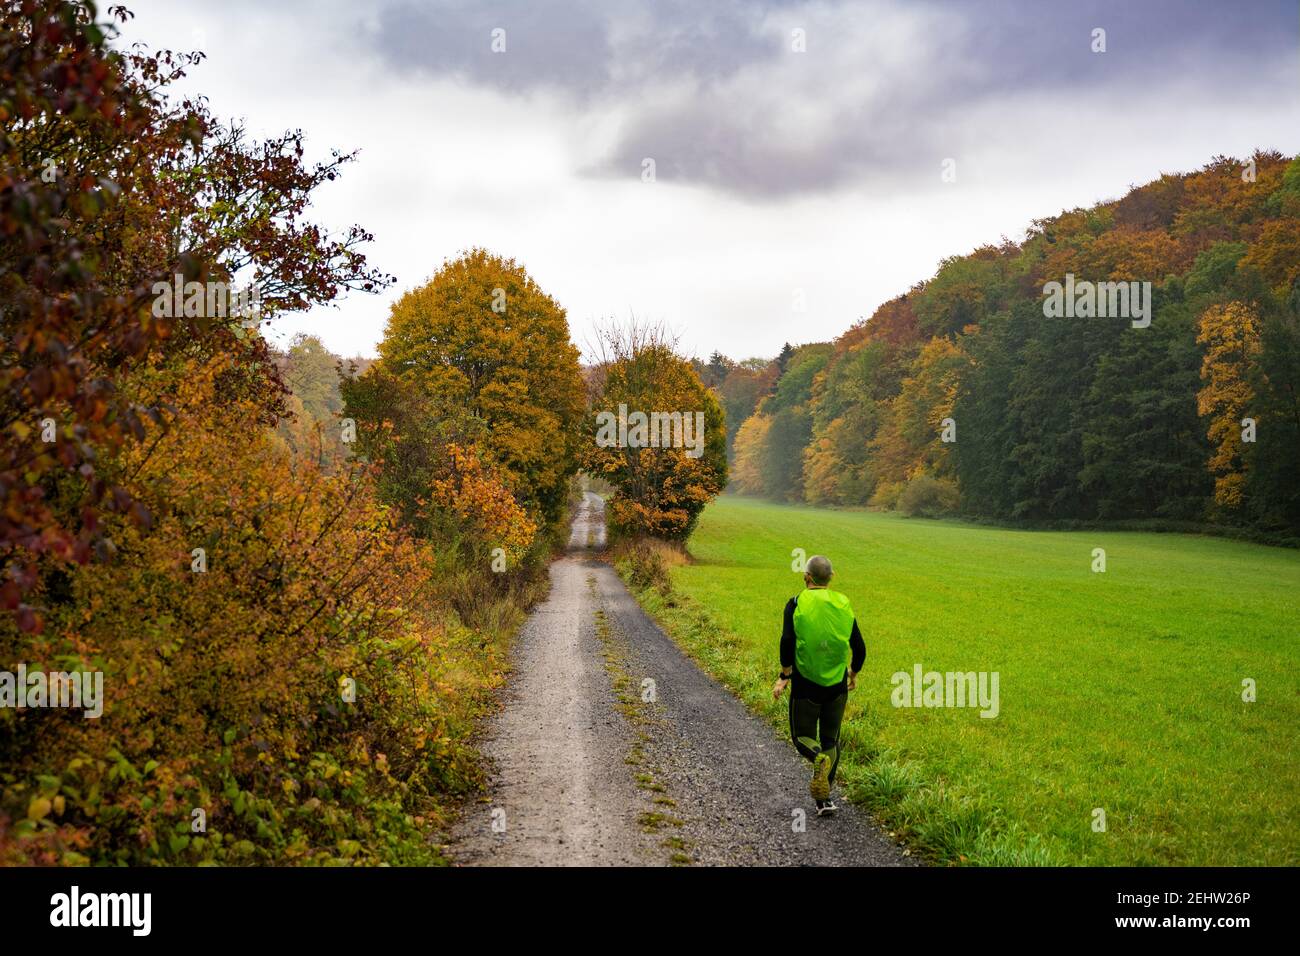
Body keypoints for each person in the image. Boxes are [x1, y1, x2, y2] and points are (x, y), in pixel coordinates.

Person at [772, 554, 865, 816]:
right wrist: (853, 672)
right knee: (830, 739)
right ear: (831, 578)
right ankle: (824, 801)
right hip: (836, 686)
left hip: (805, 685)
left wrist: (784, 675)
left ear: (807, 577)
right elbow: (859, 647)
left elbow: (787, 640)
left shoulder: (795, 602)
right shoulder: (844, 603)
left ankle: (817, 760)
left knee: (803, 737)